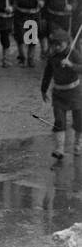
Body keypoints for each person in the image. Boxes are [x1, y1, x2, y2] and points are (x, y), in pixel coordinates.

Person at [41, 28, 82, 159]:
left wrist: (71, 65)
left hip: (75, 92)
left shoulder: (74, 54)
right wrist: (43, 89)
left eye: (60, 44)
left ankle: (78, 144)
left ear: (67, 43)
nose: (57, 47)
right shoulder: (52, 57)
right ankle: (59, 149)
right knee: (59, 121)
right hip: (58, 94)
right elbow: (47, 73)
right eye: (54, 44)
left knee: (79, 120)